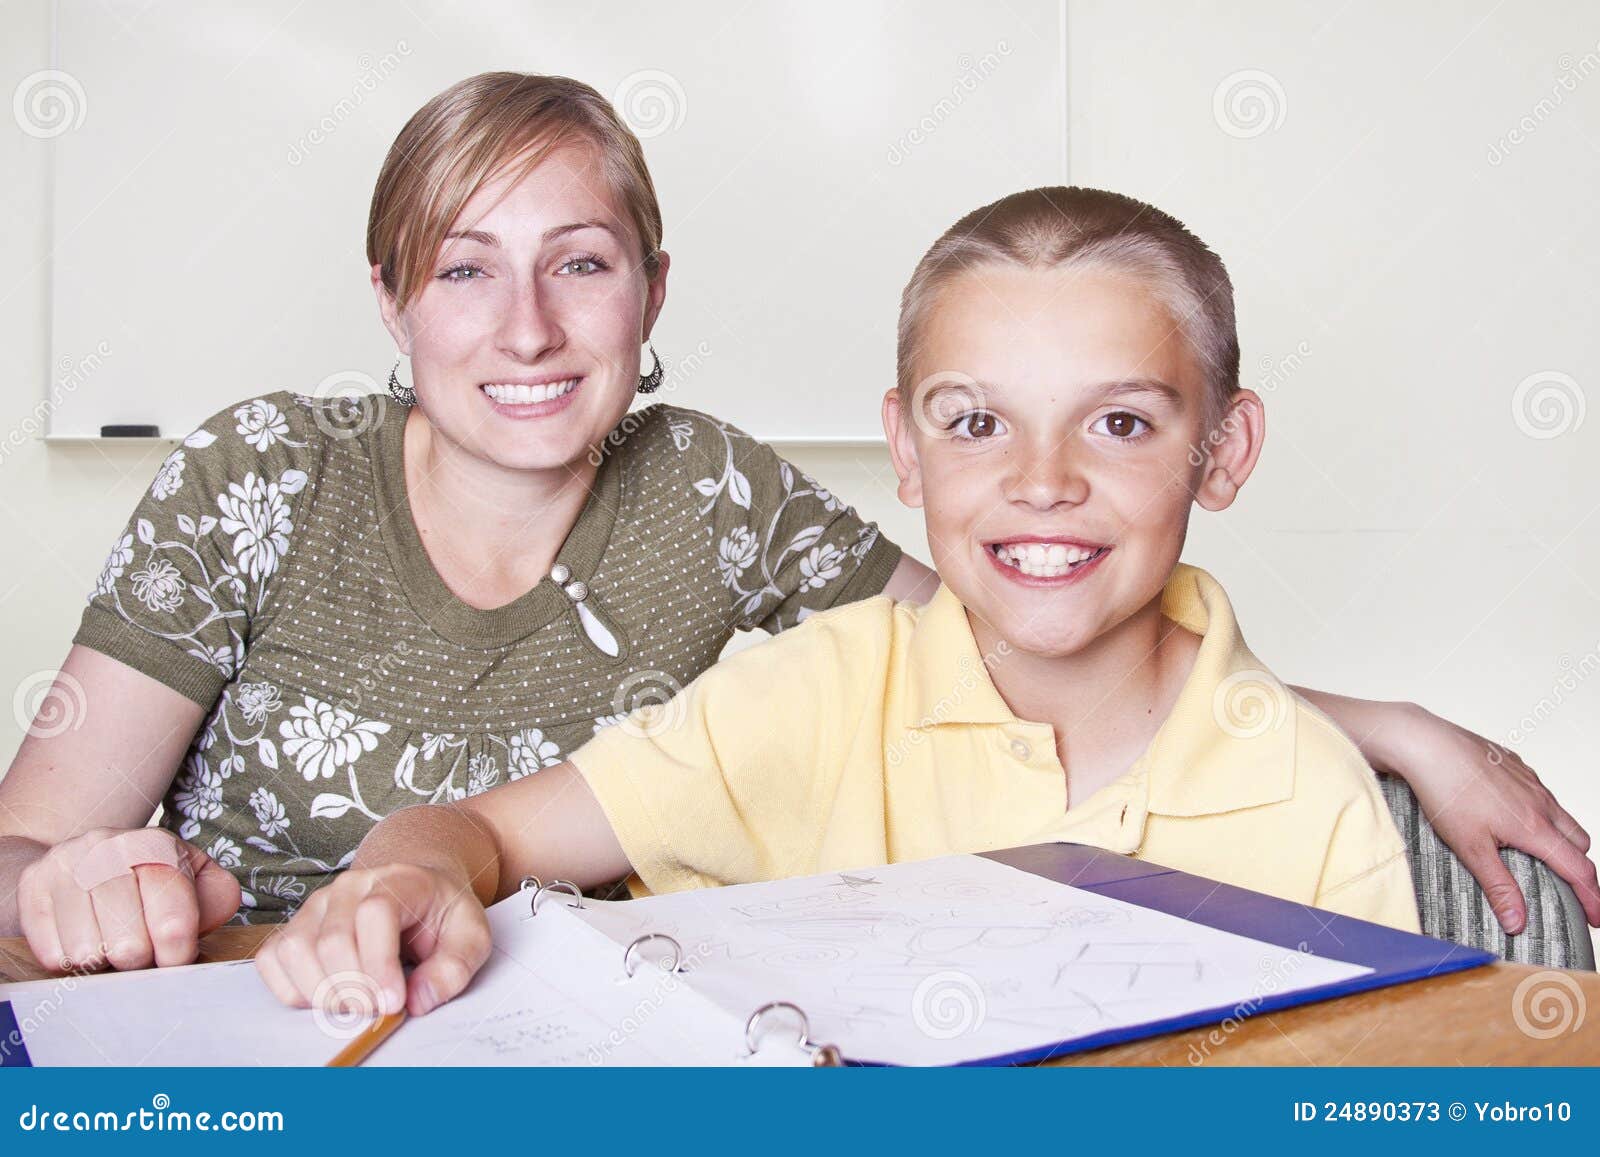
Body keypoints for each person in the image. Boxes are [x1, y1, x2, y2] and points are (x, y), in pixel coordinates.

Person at [3, 75, 1590, 979]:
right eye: (465, 268)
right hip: (214, 1011)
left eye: (584, 263)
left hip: (531, 1042)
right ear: (391, 304)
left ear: (654, 292)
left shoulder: (722, 497)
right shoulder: (260, 472)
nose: (530, 327)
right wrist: (73, 891)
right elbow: (26, 850)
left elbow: (1022, 627)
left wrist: (1380, 728)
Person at [257, 186, 1435, 1016]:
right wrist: (402, 873)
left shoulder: (1309, 798)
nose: (1041, 479)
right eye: (975, 421)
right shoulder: (812, 695)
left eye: (1119, 420)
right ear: (906, 452)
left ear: (1220, 453)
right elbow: (481, 832)